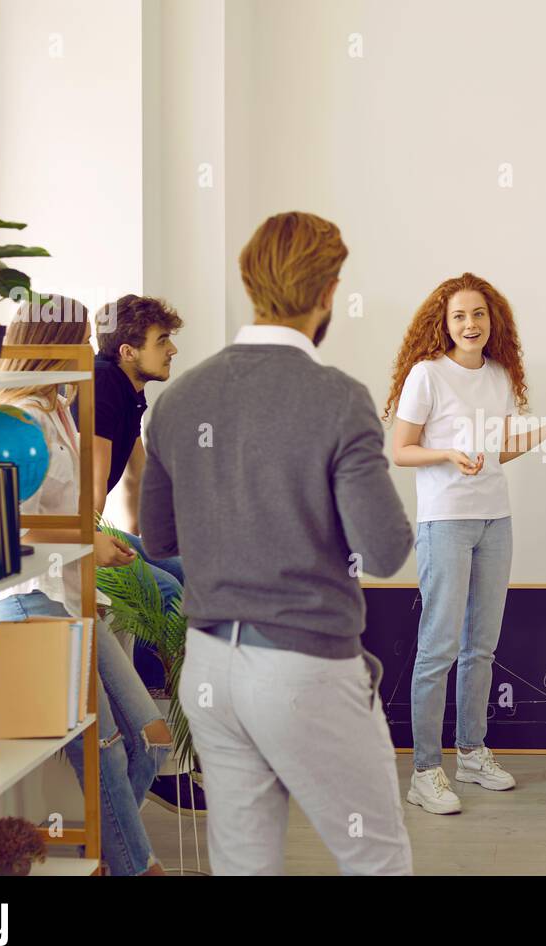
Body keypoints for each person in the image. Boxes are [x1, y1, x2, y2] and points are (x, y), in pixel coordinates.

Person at [141, 211, 415, 875]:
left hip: (210, 670)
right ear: (327, 293)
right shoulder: (338, 399)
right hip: (304, 668)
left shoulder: (179, 399)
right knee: (375, 857)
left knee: (244, 863)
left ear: (251, 283)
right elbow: (383, 552)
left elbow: (159, 536)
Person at [383, 273, 546, 815]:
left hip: (494, 521)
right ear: (444, 322)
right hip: (446, 523)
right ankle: (425, 771)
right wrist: (446, 455)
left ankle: (473, 753)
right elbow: (400, 450)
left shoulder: (501, 375)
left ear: (492, 320)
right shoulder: (427, 375)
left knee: (480, 646)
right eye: (459, 315)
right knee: (438, 649)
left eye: (478, 314)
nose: (469, 324)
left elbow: (500, 449)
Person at [0, 296, 170, 876]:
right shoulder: (15, 420)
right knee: (107, 754)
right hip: (29, 604)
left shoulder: (63, 409)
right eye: (79, 339)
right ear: (48, 346)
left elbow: (75, 515)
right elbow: (7, 531)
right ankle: (136, 866)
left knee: (154, 737)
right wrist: (89, 545)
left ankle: (116, 852)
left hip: (73, 597)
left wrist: (95, 545)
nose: (89, 352)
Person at [78, 294, 197, 813]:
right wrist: (106, 547)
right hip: (79, 539)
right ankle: (176, 720)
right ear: (128, 350)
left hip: (104, 531)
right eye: (162, 341)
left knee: (183, 570)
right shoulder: (105, 382)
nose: (172, 350)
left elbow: (137, 475)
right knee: (169, 590)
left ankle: (189, 711)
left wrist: (151, 542)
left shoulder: (131, 391)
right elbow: (92, 485)